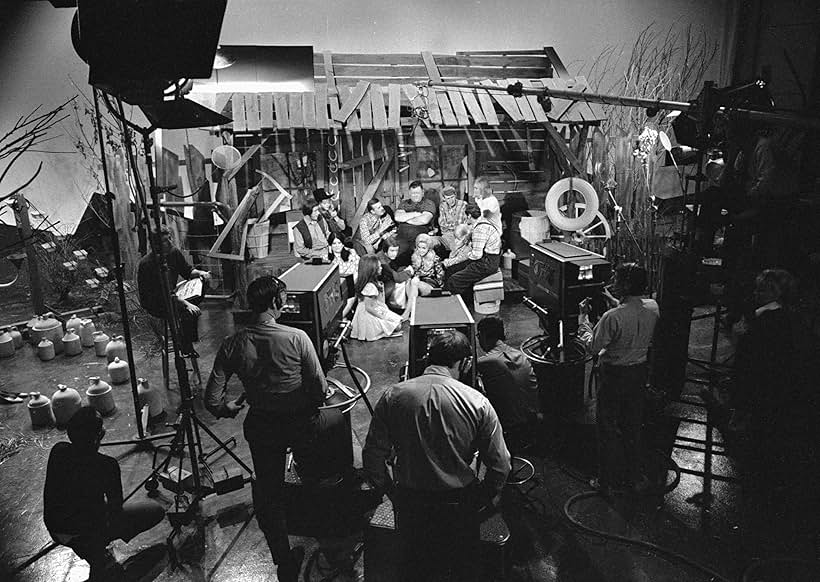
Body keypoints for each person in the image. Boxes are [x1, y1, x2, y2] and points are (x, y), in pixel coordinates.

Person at [205, 276, 353, 582]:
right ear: (275, 303)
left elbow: (212, 399)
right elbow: (318, 388)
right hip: (300, 424)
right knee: (335, 425)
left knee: (269, 494)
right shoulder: (297, 337)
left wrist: (226, 408)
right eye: (283, 299)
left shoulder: (233, 343)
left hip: (262, 426)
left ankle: (284, 561)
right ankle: (329, 538)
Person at [362, 330, 511, 582]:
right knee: (460, 567)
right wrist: (482, 497)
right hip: (459, 504)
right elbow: (500, 464)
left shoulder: (393, 396)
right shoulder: (478, 402)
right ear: (464, 363)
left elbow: (373, 456)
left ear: (427, 358)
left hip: (410, 502)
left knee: (415, 567)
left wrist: (391, 492)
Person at [43, 406, 165, 580]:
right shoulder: (107, 466)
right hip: (86, 530)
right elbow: (115, 511)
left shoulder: (58, 450)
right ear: (98, 436)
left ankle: (90, 548)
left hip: (56, 528)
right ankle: (97, 551)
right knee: (154, 510)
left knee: (86, 513)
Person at [577, 263, 659, 494]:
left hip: (614, 375)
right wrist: (613, 299)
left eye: (617, 278)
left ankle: (605, 480)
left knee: (607, 426)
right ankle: (634, 476)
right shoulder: (653, 307)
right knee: (632, 424)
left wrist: (583, 318)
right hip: (639, 372)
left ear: (625, 284)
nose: (613, 280)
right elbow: (631, 311)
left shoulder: (611, 318)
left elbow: (592, 346)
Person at [137, 226, 211, 354]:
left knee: (202, 282)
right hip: (156, 303)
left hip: (172, 296)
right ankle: (185, 345)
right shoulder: (147, 264)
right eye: (165, 240)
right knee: (187, 312)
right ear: (156, 245)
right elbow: (159, 296)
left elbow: (187, 271)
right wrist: (185, 303)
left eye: (170, 238)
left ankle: (185, 337)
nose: (170, 242)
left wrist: (201, 273)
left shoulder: (173, 252)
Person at [476, 316, 540, 436]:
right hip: (533, 421)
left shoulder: (485, 362)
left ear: (482, 335)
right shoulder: (521, 355)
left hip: (510, 429)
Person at [444, 202, 501, 295]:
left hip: (486, 263)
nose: (465, 218)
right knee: (452, 269)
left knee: (455, 280)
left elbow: (476, 255)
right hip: (485, 259)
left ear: (469, 216)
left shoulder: (480, 229)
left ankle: (458, 301)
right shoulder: (483, 223)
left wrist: (464, 257)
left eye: (465, 216)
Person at [351, 255, 404, 340]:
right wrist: (382, 317)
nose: (381, 268)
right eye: (378, 267)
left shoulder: (374, 283)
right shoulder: (369, 287)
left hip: (375, 307)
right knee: (397, 326)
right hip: (369, 313)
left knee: (397, 321)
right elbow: (368, 308)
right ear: (371, 270)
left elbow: (378, 302)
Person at [394, 180, 436, 265]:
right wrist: (416, 214)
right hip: (402, 235)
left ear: (423, 192)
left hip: (419, 234)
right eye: (413, 193)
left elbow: (424, 220)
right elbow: (397, 217)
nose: (415, 195)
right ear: (409, 193)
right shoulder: (404, 203)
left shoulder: (429, 203)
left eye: (417, 193)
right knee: (396, 253)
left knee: (413, 254)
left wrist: (406, 217)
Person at [376, 236, 418, 318]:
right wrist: (409, 271)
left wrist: (404, 270)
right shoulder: (382, 260)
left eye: (396, 251)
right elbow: (397, 278)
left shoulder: (386, 256)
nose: (394, 253)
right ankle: (402, 309)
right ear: (385, 250)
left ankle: (410, 309)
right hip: (378, 291)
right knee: (404, 281)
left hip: (384, 284)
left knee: (407, 280)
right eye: (392, 250)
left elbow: (396, 269)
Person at [436, 185, 468, 251]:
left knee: (455, 248)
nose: (451, 200)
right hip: (447, 235)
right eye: (448, 198)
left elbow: (459, 225)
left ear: (455, 195)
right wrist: (450, 226)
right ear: (444, 199)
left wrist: (449, 225)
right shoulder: (442, 206)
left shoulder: (463, 204)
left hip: (460, 235)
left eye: (452, 197)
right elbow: (442, 226)